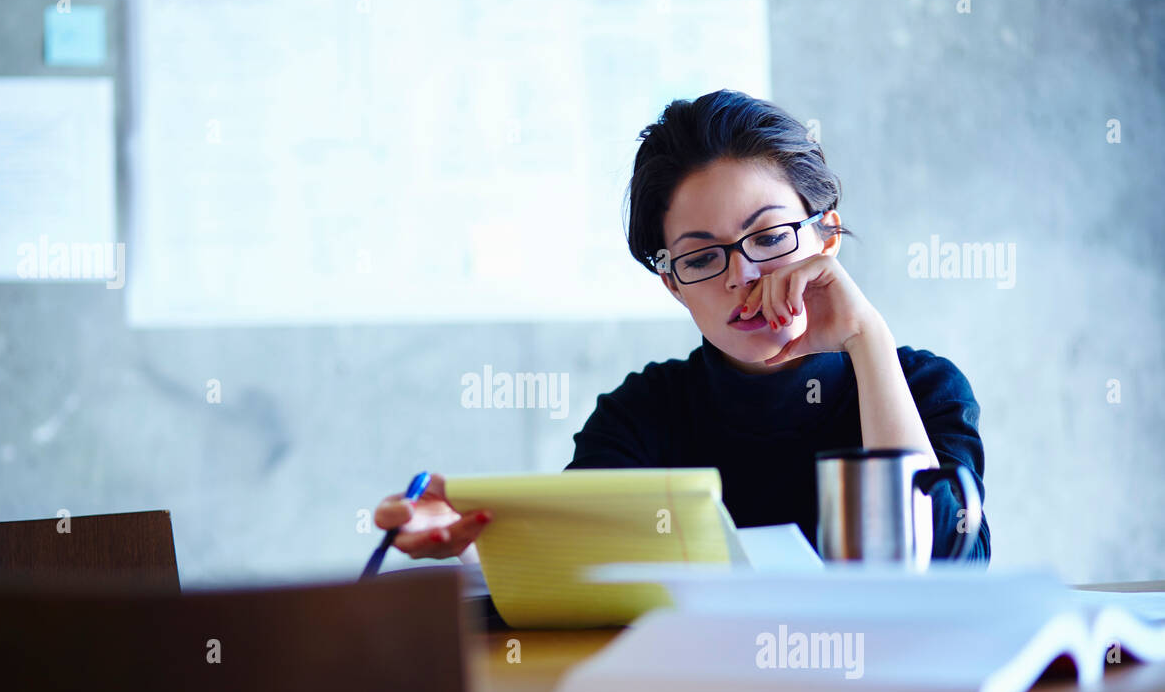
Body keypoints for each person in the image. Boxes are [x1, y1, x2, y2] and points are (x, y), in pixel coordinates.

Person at [374, 89, 990, 566]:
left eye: (771, 236)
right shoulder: (643, 416)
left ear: (826, 236)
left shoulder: (923, 386)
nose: (741, 276)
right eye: (700, 257)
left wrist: (867, 339)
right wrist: (467, 541)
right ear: (673, 285)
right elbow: (572, 558)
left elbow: (943, 562)